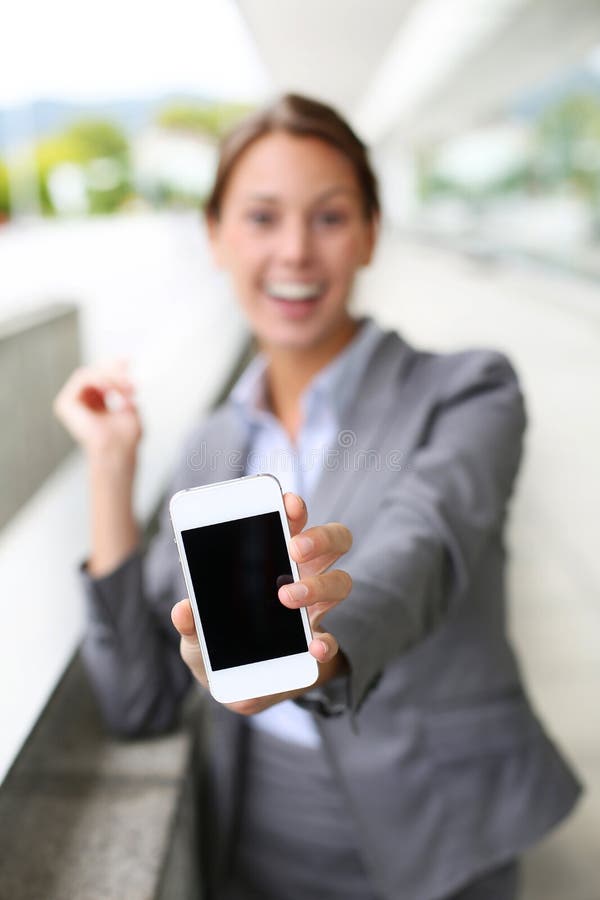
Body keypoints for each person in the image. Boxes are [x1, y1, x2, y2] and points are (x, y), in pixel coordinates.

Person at [54, 93, 580, 900]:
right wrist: (110, 470)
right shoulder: (210, 446)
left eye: (330, 218)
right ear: (216, 237)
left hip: (438, 831)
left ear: (371, 231)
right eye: (262, 218)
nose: (295, 251)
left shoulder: (465, 391)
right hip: (260, 833)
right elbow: (136, 699)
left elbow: (422, 550)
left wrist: (322, 650)